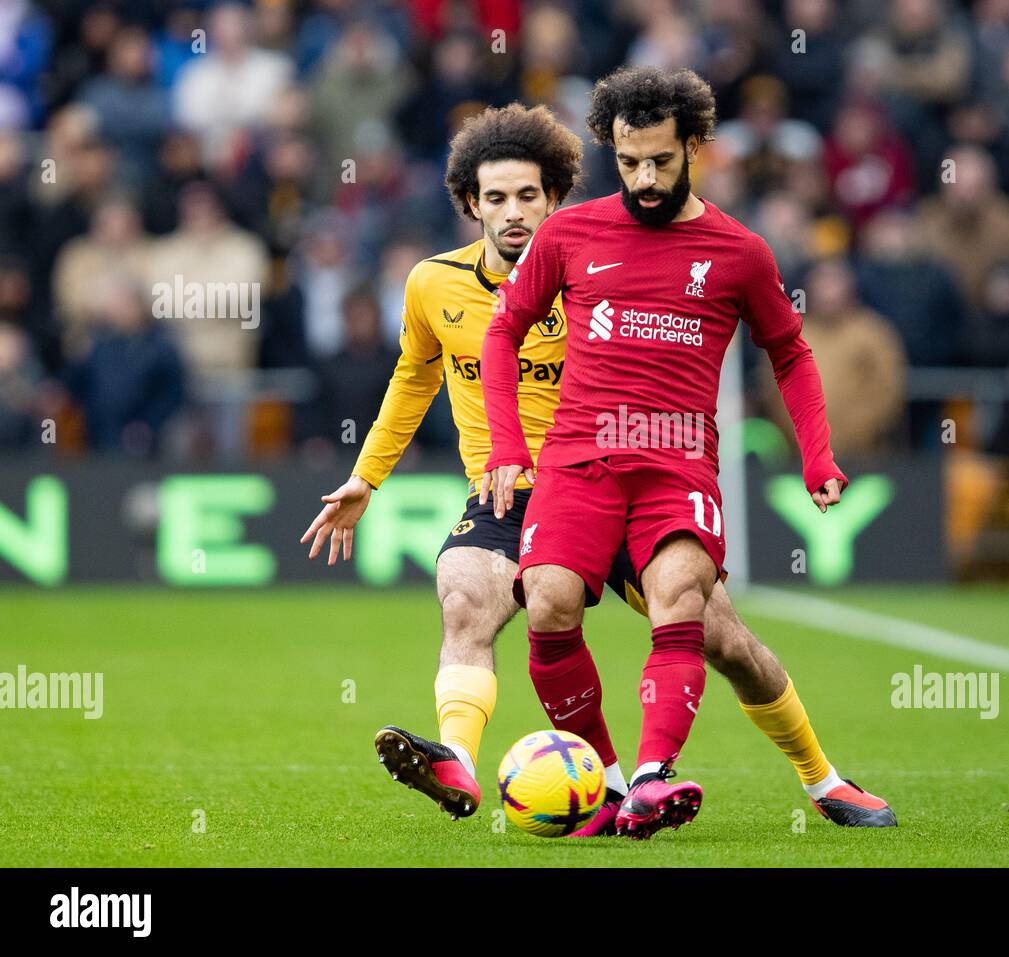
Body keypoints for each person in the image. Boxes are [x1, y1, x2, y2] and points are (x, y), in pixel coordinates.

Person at [300, 102, 897, 837]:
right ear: (469, 204)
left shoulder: (590, 257)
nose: (514, 213)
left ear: (555, 198)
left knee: (727, 643)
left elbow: (710, 342)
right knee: (463, 600)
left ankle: (822, 776)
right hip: (511, 488)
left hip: (612, 474)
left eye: (529, 196)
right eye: (495, 198)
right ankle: (460, 756)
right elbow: (413, 378)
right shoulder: (431, 286)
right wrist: (369, 474)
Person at [478, 69, 895, 838]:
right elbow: (502, 332)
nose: (643, 178)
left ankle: (665, 778)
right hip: (579, 460)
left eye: (661, 162)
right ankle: (605, 784)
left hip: (676, 464)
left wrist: (816, 456)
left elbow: (792, 353)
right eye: (629, 161)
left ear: (695, 146)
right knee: (548, 602)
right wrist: (509, 444)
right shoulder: (569, 234)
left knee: (692, 610)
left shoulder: (738, 250)